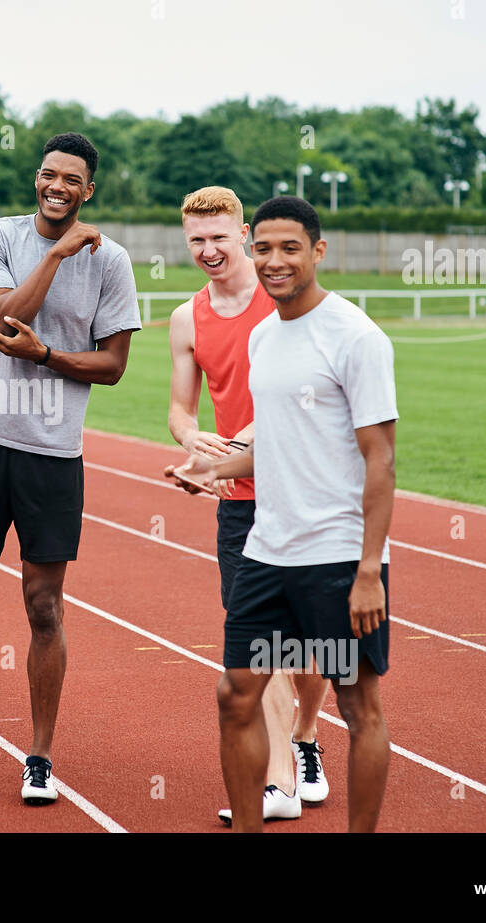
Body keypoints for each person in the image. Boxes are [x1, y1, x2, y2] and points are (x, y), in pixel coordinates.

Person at [0, 133, 142, 803]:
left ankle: (38, 754)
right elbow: (3, 317)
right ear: (36, 177)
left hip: (53, 454)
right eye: (49, 174)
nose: (57, 186)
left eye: (72, 179)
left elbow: (113, 366)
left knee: (44, 606)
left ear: (88, 190)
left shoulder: (113, 262)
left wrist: (46, 356)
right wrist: (56, 254)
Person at [174, 196, 396, 833]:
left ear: (318, 252)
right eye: (266, 249)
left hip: (336, 554)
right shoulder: (265, 336)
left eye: (290, 248)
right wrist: (209, 470)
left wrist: (369, 571)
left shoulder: (356, 336)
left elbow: (381, 461)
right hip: (267, 548)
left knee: (358, 706)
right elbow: (271, 444)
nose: (275, 261)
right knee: (236, 694)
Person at [165, 186, 330, 823]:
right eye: (196, 240)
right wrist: (193, 441)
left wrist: (239, 444)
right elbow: (180, 409)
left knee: (308, 645)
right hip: (240, 502)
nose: (208, 250)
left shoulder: (284, 301)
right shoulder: (187, 319)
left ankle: (306, 737)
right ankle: (280, 781)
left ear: (243, 235)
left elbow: (303, 395)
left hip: (302, 493)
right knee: (261, 640)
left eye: (219, 238)